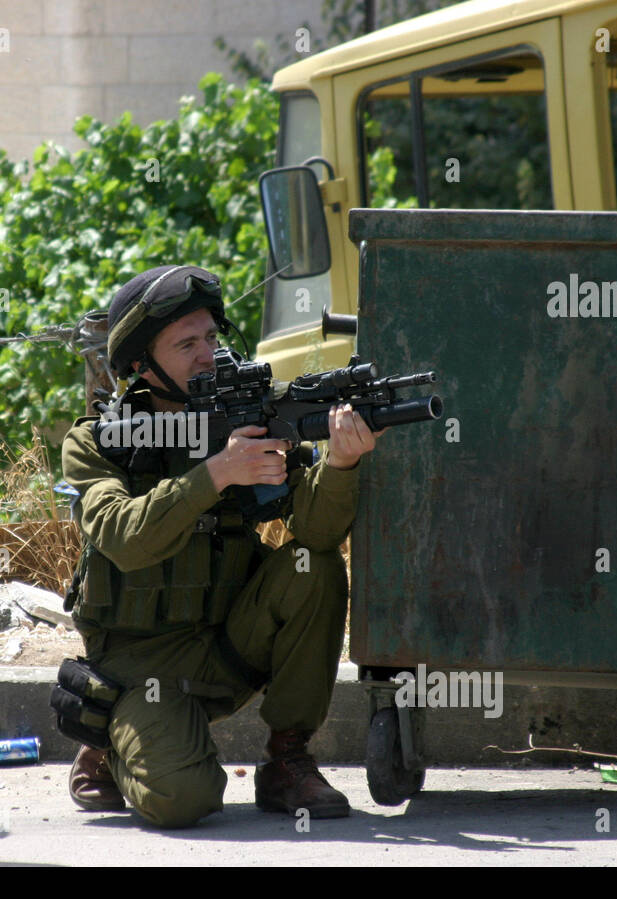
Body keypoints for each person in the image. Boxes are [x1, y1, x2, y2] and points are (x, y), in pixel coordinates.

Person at [61, 264, 382, 828]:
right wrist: (216, 474)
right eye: (186, 344)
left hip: (230, 648)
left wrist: (341, 461)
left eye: (211, 337)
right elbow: (121, 537)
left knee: (314, 565)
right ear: (142, 365)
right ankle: (113, 744)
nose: (208, 353)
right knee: (183, 801)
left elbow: (319, 530)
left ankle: (287, 760)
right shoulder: (99, 442)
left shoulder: (249, 417)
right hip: (142, 669)